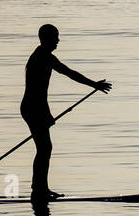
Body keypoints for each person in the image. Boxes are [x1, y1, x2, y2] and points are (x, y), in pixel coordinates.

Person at [21, 24, 112, 201]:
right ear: (45, 39)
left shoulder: (43, 56)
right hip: (32, 107)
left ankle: (40, 188)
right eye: (55, 37)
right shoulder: (42, 57)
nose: (58, 41)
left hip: (35, 107)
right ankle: (39, 190)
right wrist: (95, 85)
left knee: (44, 148)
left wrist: (46, 114)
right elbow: (68, 73)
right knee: (44, 148)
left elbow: (45, 88)